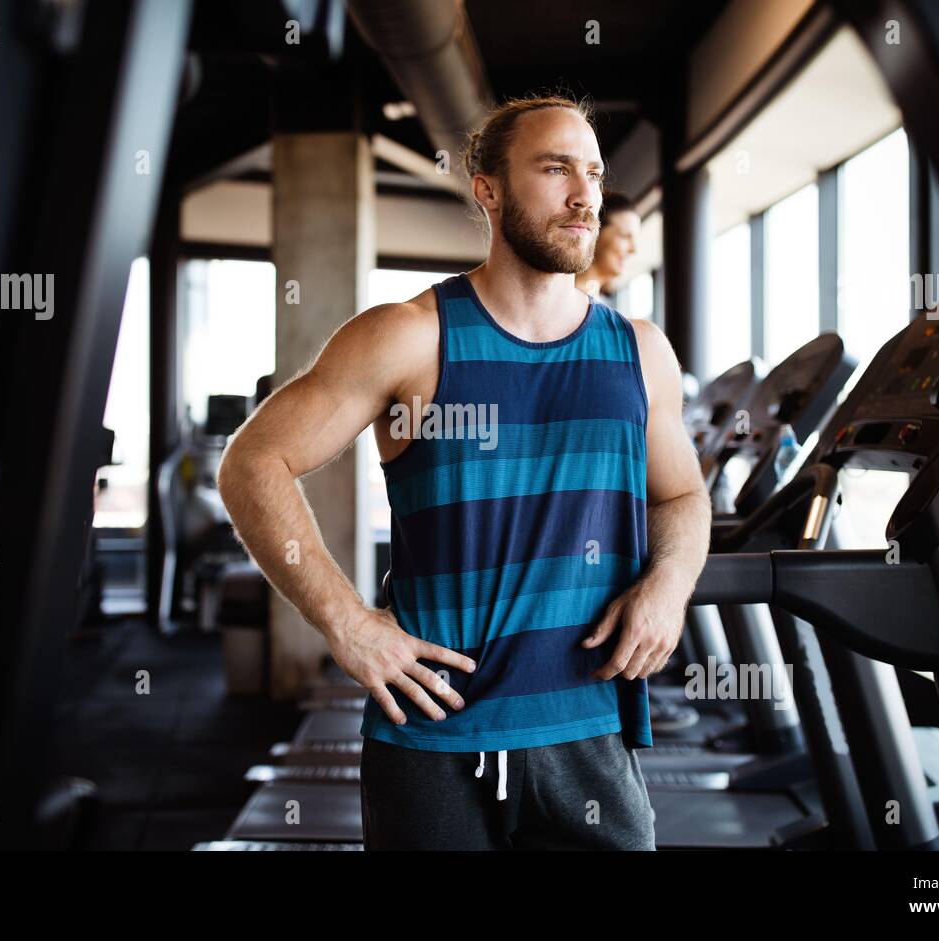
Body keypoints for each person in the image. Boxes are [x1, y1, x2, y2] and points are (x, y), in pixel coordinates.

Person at [217, 94, 711, 850]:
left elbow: (680, 496)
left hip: (591, 738)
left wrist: (670, 585)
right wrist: (347, 625)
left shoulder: (640, 352)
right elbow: (254, 461)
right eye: (554, 170)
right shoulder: (408, 338)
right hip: (434, 741)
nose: (585, 196)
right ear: (488, 188)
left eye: (594, 174)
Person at [574, 190, 641, 300]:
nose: (633, 249)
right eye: (625, 236)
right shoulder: (571, 302)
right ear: (595, 233)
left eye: (634, 238)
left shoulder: (597, 301)